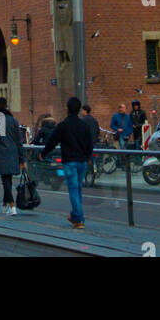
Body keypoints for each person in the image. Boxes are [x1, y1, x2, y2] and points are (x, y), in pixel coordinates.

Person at [39, 96, 94, 230]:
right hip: (82, 162)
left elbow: (52, 142)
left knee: (74, 190)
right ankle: (75, 216)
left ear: (67, 109)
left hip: (70, 162)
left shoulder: (63, 125)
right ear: (79, 110)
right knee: (78, 189)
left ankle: (80, 219)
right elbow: (90, 143)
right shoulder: (84, 126)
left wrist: (43, 153)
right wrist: (88, 157)